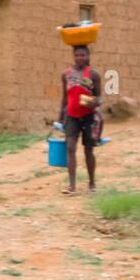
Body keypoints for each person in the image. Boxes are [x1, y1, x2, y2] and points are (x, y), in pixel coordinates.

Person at [57, 44, 101, 195]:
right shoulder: (66, 74)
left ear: (88, 56)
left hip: (89, 116)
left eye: (83, 55)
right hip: (71, 116)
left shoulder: (94, 74)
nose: (80, 58)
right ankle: (71, 185)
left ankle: (92, 183)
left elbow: (99, 97)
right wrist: (60, 118)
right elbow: (64, 97)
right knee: (70, 148)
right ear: (73, 56)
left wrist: (93, 102)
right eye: (77, 55)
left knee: (88, 150)